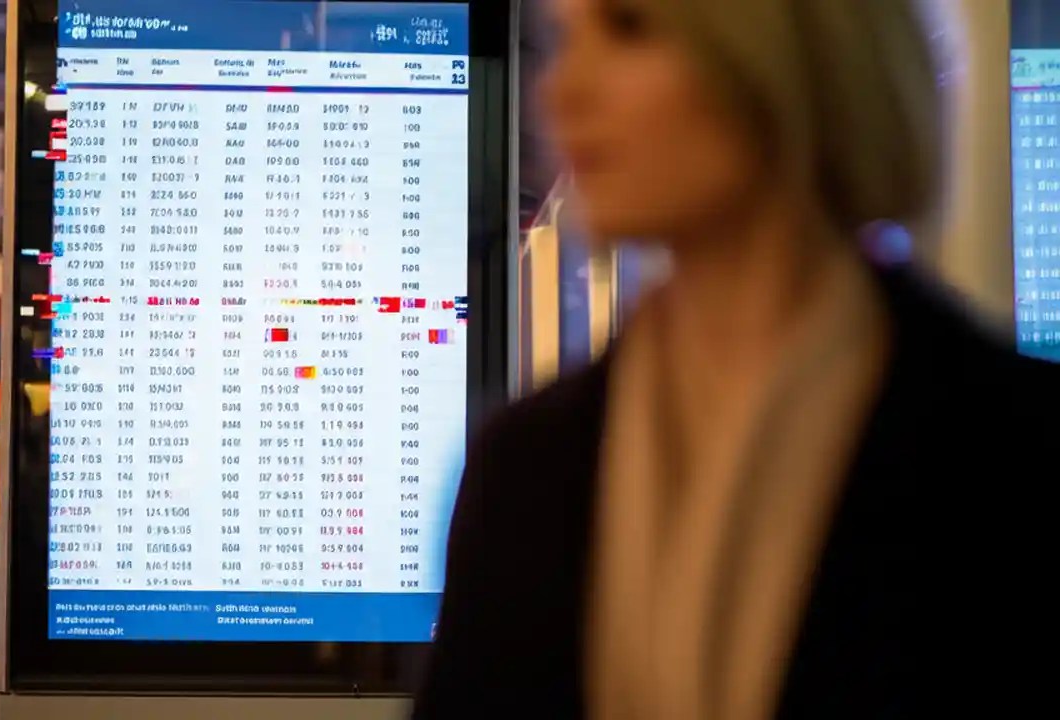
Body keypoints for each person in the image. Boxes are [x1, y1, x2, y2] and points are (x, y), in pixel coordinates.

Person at [414, 0, 1056, 718]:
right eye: (566, 38)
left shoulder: (1016, 453)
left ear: (795, 54)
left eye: (630, 28)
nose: (561, 91)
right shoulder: (523, 468)